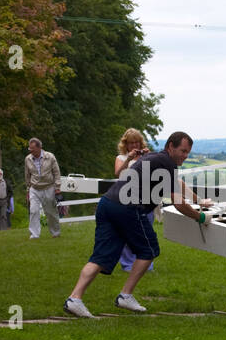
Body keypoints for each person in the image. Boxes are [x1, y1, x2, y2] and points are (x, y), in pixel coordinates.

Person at [63, 131, 210, 318]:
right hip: (128, 207)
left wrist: (198, 201)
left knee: (100, 257)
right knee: (149, 250)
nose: (185, 156)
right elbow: (179, 203)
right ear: (170, 147)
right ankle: (125, 295)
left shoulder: (154, 158)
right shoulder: (167, 163)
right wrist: (200, 217)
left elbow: (177, 185)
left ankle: (75, 299)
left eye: (188, 152)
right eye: (182, 151)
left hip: (107, 204)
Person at [113, 128, 153, 272]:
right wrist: (129, 158)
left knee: (146, 231)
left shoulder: (146, 156)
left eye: (137, 142)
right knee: (127, 231)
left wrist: (147, 158)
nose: (134, 146)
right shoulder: (121, 158)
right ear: (126, 144)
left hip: (145, 198)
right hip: (126, 197)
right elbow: (118, 174)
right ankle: (128, 264)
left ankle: (146, 263)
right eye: (131, 143)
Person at [23, 138, 62, 239]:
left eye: (33, 149)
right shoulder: (28, 159)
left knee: (51, 212)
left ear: (39, 147)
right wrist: (28, 189)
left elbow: (56, 173)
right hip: (34, 188)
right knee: (33, 211)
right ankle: (34, 234)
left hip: (49, 187)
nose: (31, 151)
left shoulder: (50, 157)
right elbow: (27, 175)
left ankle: (55, 233)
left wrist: (57, 187)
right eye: (29, 149)